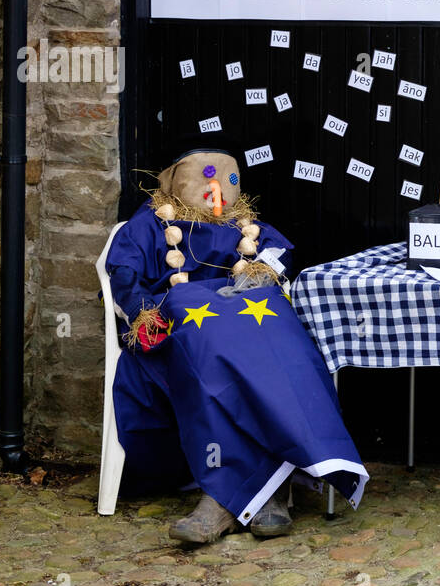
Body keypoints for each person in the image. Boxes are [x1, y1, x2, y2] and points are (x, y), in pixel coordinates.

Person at [104, 148, 368, 544]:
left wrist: (259, 274)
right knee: (209, 361)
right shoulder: (149, 225)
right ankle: (238, 497)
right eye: (205, 182)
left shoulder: (244, 226)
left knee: (285, 349)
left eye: (226, 182)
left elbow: (278, 255)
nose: (216, 192)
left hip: (248, 320)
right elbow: (125, 276)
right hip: (185, 323)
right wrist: (145, 313)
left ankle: (258, 491)